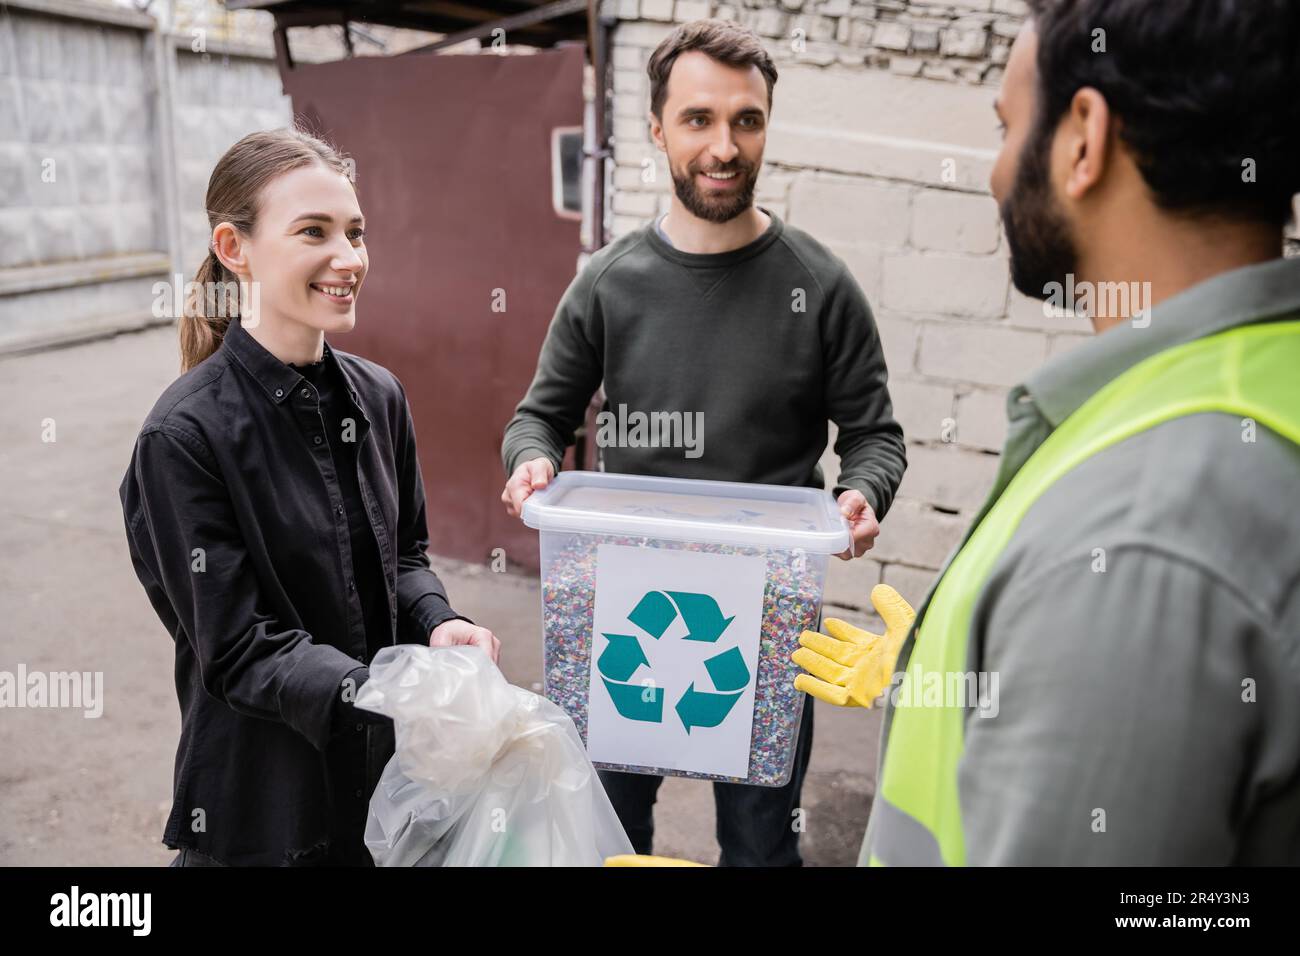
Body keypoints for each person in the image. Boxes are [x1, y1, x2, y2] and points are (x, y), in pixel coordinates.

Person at [794, 0, 1300, 865]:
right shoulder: (1235, 388)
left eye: (1005, 128)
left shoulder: (1142, 529)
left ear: (1082, 140)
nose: (995, 171)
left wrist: (1073, 624)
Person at [501, 19, 907, 866]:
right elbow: (541, 415)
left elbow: (873, 434)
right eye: (698, 120)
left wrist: (863, 491)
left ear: (765, 125)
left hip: (770, 610)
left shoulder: (820, 286)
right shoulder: (609, 285)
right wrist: (532, 459)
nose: (724, 146)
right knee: (608, 839)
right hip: (622, 603)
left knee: (762, 845)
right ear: (657, 128)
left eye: (746, 121)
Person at [119, 127, 500, 867]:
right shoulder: (183, 438)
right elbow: (234, 649)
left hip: (387, 789)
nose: (350, 259)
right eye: (314, 232)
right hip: (264, 809)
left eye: (356, 232)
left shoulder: (379, 396)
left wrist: (437, 620)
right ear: (236, 248)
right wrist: (370, 691)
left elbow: (405, 557)